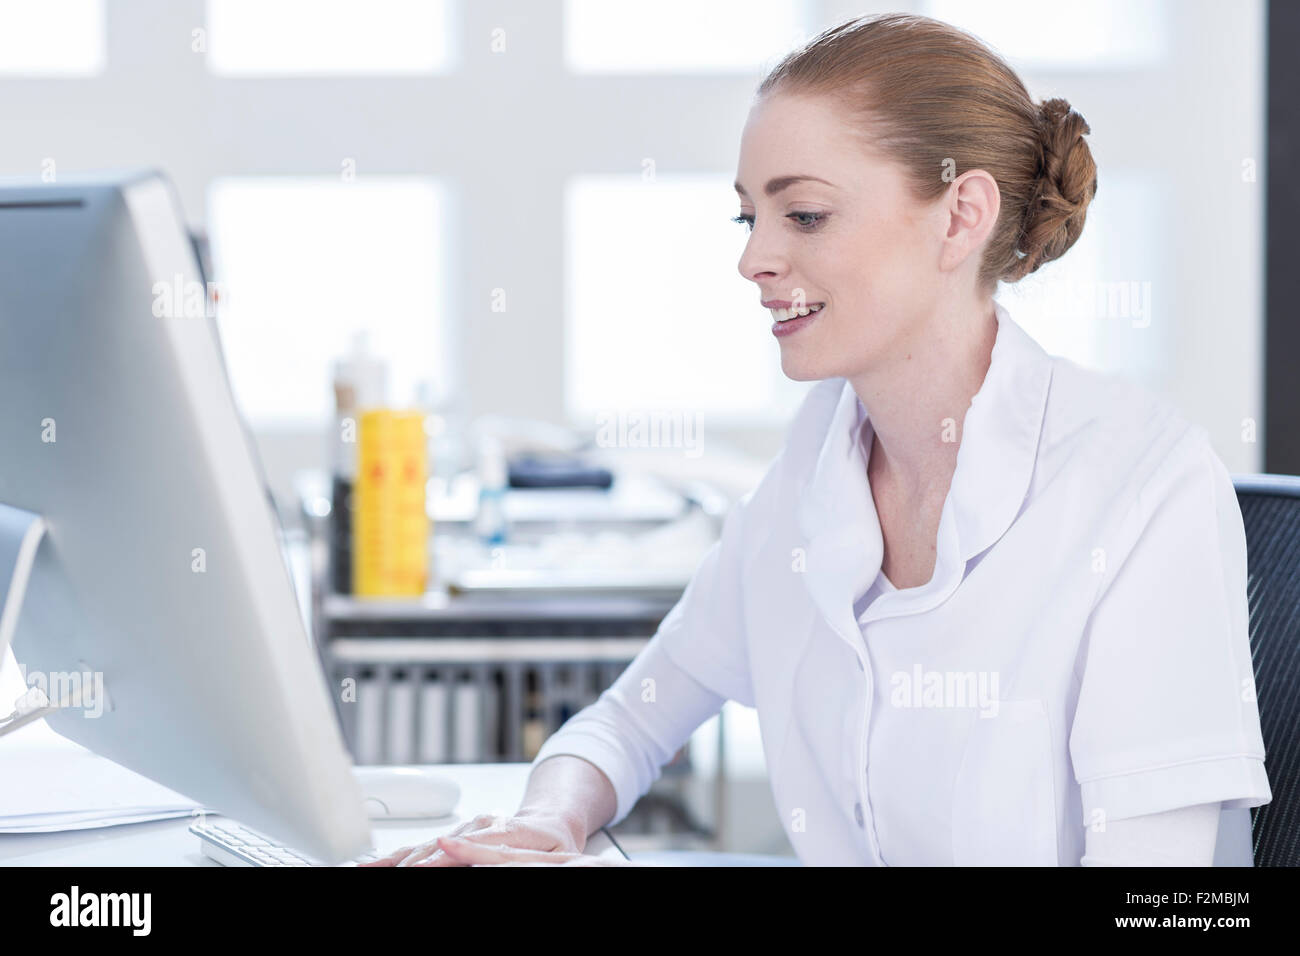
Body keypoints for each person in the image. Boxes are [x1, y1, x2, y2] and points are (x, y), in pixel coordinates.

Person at [365, 12, 1270, 868]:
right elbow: (629, 719)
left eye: (802, 215)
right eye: (747, 215)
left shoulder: (1143, 489)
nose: (753, 257)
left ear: (961, 216)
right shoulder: (815, 466)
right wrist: (546, 824)